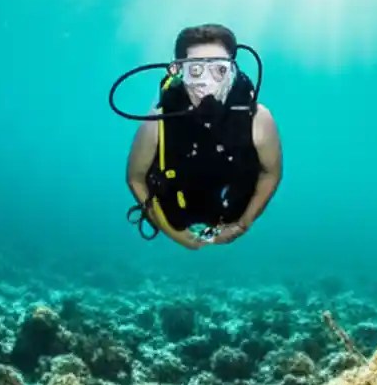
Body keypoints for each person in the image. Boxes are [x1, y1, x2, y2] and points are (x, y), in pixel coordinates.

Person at [119, 24, 282, 250]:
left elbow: (271, 173)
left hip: (230, 210)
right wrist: (171, 233)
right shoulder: (158, 122)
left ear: (232, 69)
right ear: (178, 70)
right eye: (195, 70)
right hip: (179, 208)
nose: (207, 83)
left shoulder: (258, 119)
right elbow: (135, 177)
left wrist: (243, 224)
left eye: (219, 70)